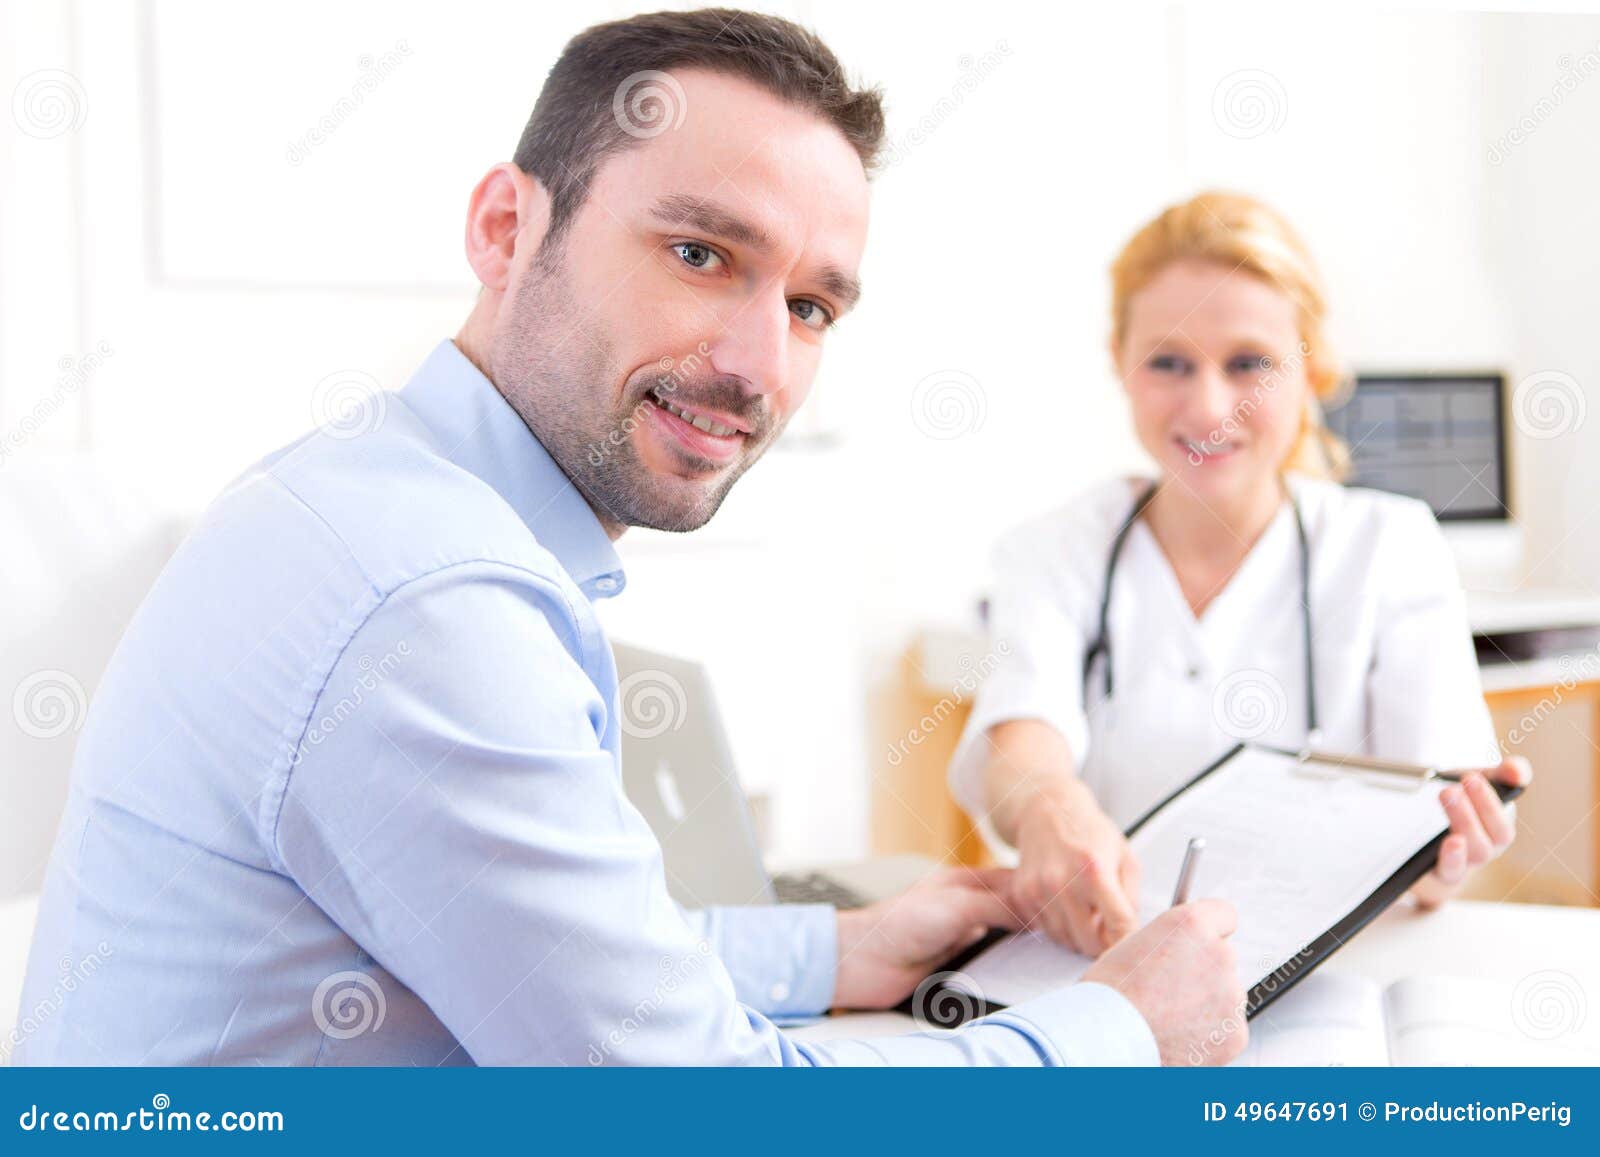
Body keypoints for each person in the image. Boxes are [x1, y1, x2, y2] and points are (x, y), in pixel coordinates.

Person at [14, 10, 1245, 1067]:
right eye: (701, 253)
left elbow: (529, 958)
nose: (760, 365)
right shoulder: (430, 601)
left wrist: (838, 944)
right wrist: (1121, 1028)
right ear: (506, 227)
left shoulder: (367, 493)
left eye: (811, 305)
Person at [947, 191, 1528, 958]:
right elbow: (1023, 742)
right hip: (1107, 969)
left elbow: (1431, 851)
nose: (1209, 405)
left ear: (1312, 369)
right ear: (1121, 363)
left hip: (1328, 974)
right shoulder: (1057, 548)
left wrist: (1447, 856)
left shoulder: (1389, 546)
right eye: (1169, 362)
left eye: (1249, 362)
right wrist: (1050, 804)